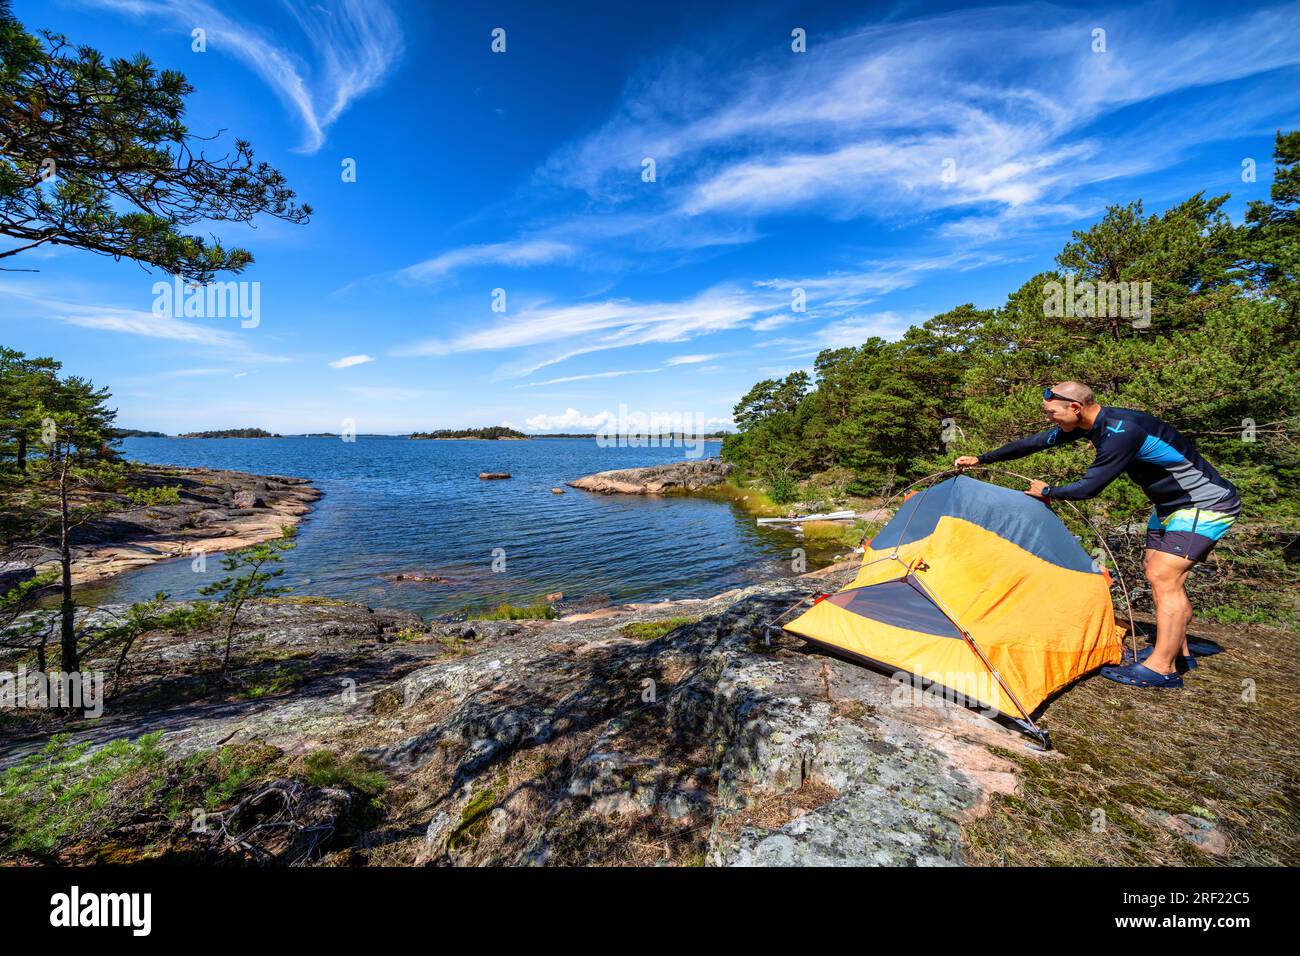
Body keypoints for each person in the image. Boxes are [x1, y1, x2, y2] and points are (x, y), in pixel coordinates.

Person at [954, 382, 1240, 689]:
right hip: (1169, 506)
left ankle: (1162, 668)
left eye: (1052, 413)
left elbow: (1090, 487)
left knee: (1164, 576)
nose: (1049, 419)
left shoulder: (1122, 431)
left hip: (1205, 504)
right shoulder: (1092, 424)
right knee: (1157, 572)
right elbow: (1035, 443)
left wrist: (1049, 491)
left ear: (1074, 408)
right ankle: (1177, 652)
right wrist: (982, 459)